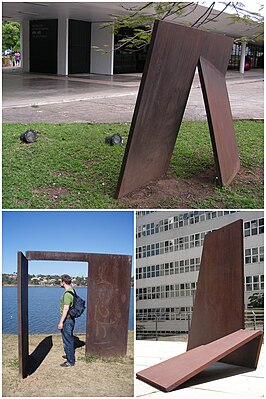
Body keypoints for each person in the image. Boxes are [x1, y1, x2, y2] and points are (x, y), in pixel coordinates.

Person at [58, 274, 75, 367]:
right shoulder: (71, 290)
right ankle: (69, 355)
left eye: (60, 281)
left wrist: (61, 322)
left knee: (67, 340)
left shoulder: (68, 294)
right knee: (68, 339)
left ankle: (70, 361)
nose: (60, 283)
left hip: (67, 320)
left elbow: (66, 309)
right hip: (69, 319)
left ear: (63, 282)